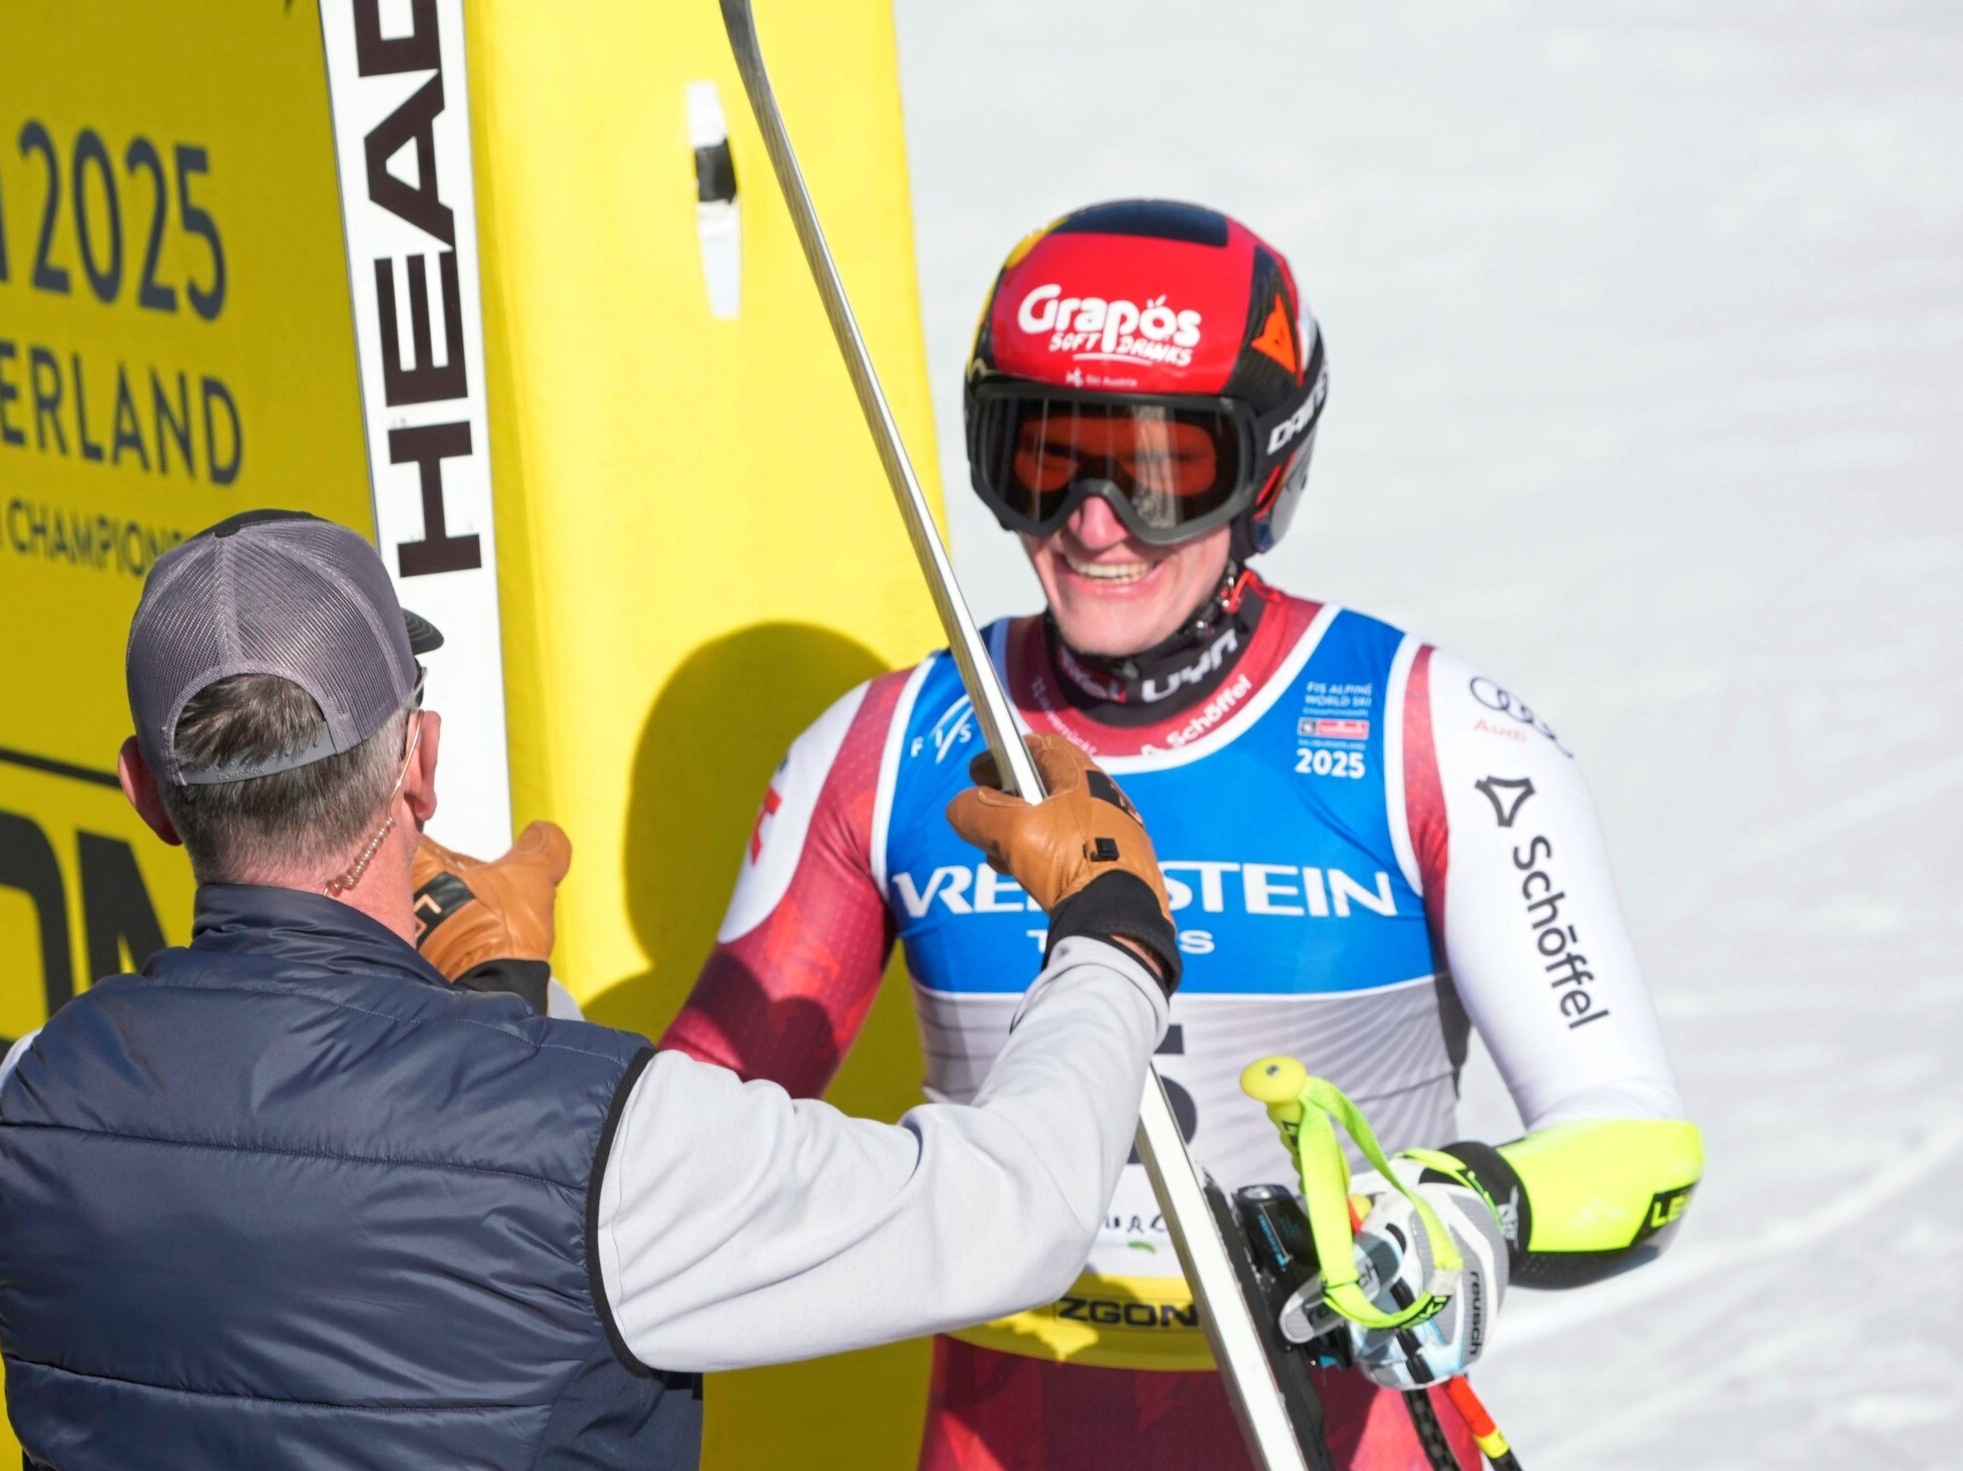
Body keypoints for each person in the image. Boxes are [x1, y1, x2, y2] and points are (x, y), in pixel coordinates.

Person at [664, 200, 1705, 1470]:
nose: (1096, 522)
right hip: (1003, 1426)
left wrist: (1465, 1214)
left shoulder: (1434, 733)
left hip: (1331, 1420)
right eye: (1046, 455)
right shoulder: (883, 747)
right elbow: (695, 1152)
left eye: (1161, 468)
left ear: (1267, 470)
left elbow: (1635, 1140)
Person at [0, 509, 1187, 1470]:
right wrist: (1110, 929)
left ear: (145, 792)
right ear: (422, 760)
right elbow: (1006, 1217)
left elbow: (303, 1290)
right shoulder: (607, 1150)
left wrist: (500, 1017)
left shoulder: (27, 1103)